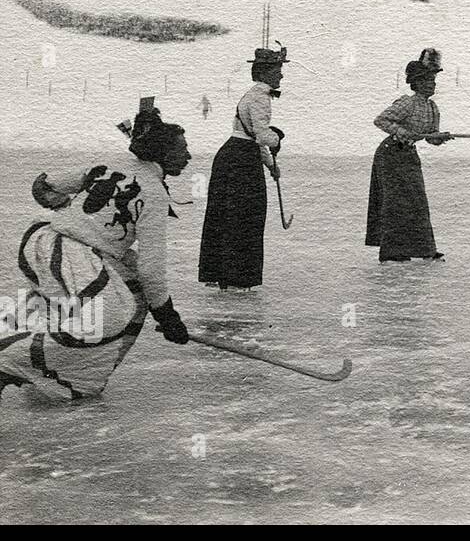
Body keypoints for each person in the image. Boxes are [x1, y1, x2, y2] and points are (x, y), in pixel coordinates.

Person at [1, 103, 191, 402]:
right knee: (108, 318)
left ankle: (66, 375)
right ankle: (10, 362)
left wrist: (72, 211)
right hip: (74, 258)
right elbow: (151, 269)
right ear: (164, 154)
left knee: (130, 297)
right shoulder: (154, 193)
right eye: (183, 149)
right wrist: (168, 317)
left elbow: (45, 187)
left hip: (42, 243)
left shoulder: (107, 166)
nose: (189, 156)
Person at [198, 43, 288, 290]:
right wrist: (278, 139)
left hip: (233, 155)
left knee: (225, 216)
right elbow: (262, 135)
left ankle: (219, 273)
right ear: (266, 73)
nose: (281, 76)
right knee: (245, 217)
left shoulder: (252, 94)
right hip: (242, 161)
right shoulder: (261, 96)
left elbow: (251, 135)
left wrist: (270, 164)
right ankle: (238, 277)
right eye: (278, 71)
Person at [366, 48, 453, 262]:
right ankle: (393, 253)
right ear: (417, 83)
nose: (433, 84)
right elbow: (381, 120)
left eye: (433, 80)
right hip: (390, 154)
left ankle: (424, 249)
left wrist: (440, 137)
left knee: (417, 201)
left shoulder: (432, 108)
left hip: (409, 154)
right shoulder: (408, 103)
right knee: (396, 203)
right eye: (428, 80)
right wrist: (401, 131)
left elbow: (430, 137)